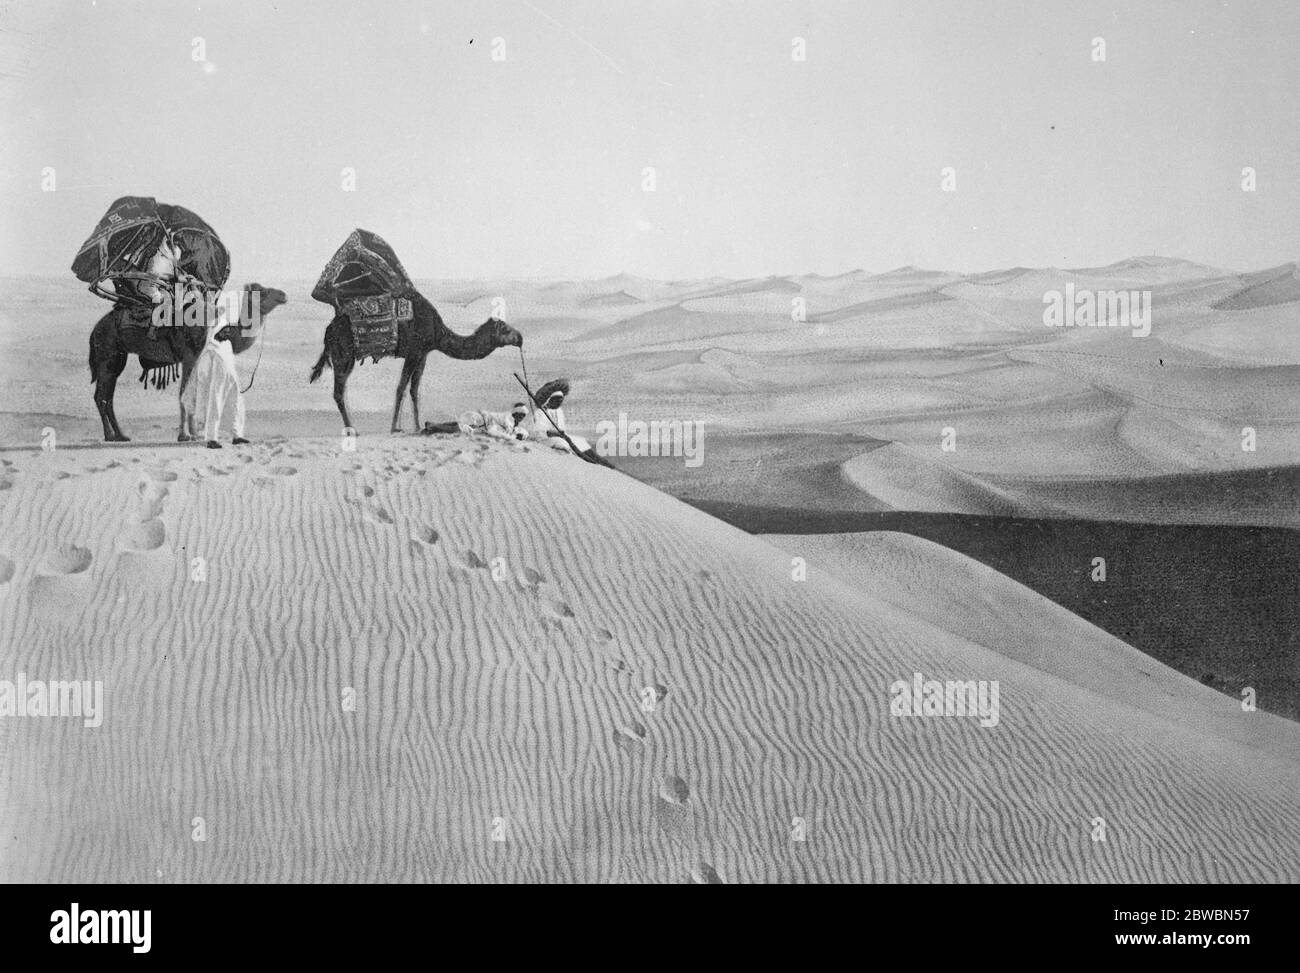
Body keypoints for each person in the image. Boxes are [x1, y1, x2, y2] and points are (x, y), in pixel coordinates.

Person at [183, 306, 248, 449]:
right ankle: (211, 438)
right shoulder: (211, 341)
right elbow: (203, 373)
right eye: (225, 330)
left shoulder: (227, 337)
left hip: (229, 373)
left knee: (236, 403)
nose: (228, 333)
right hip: (215, 375)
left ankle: (237, 435)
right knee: (215, 403)